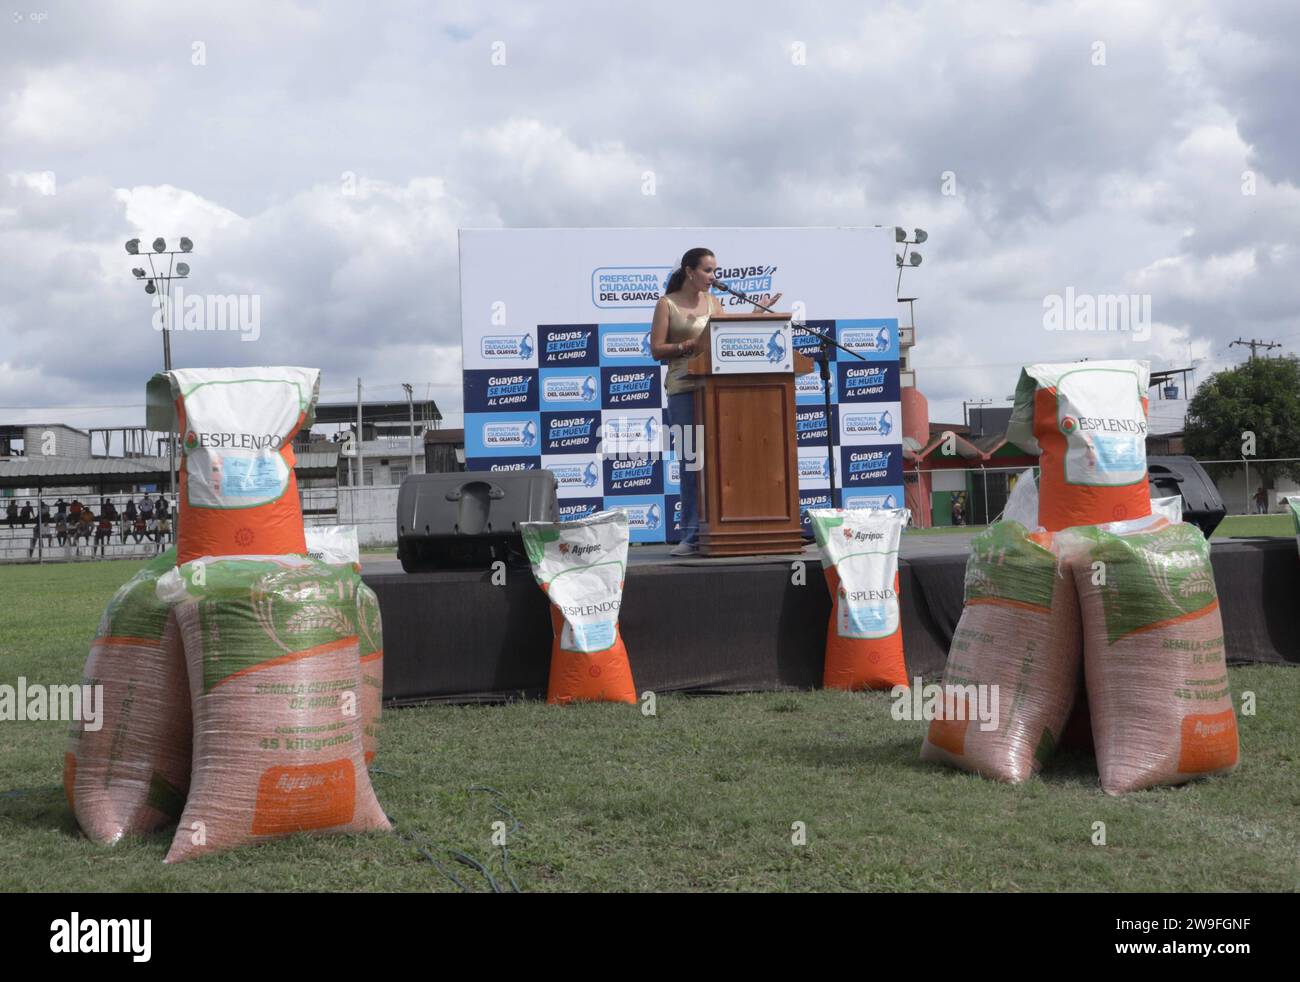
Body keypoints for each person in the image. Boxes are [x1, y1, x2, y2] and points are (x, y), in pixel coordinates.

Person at [650, 248, 725, 557]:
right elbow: (656, 349)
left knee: (718, 461)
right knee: (692, 462)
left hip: (715, 389)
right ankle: (691, 534)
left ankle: (721, 530)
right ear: (689, 271)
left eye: (714, 271)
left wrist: (758, 314)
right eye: (708, 270)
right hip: (683, 388)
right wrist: (686, 345)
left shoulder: (714, 302)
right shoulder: (666, 304)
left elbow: (725, 338)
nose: (713, 277)